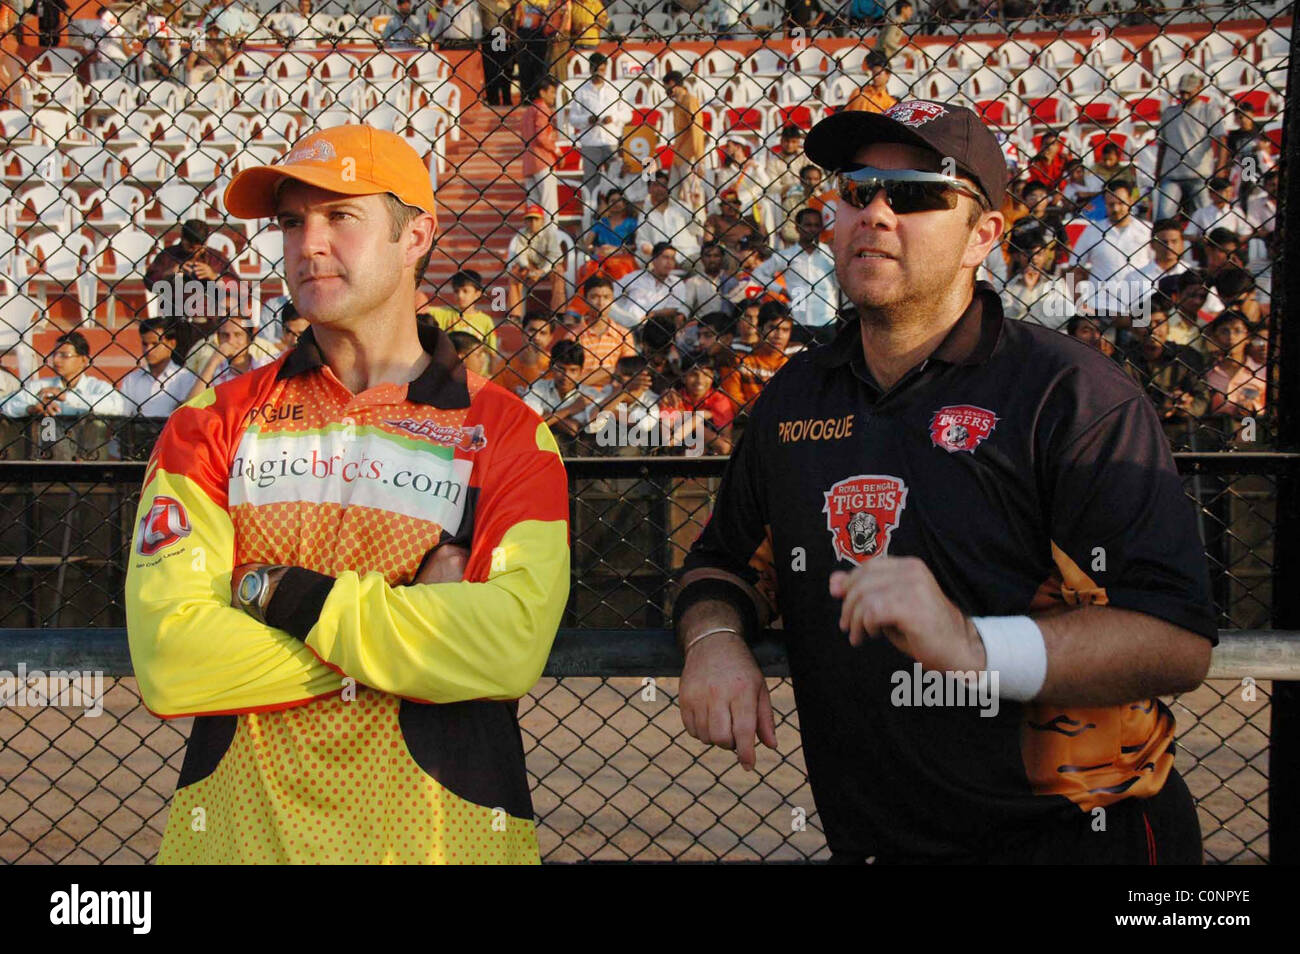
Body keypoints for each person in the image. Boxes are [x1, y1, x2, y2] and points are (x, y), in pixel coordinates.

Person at [673, 101, 1217, 865]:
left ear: (984, 236)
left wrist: (972, 645)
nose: (876, 213)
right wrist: (718, 641)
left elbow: (1175, 641)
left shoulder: (1073, 396)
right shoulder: (795, 400)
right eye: (856, 190)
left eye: (918, 193)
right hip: (876, 842)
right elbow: (721, 562)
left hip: (1082, 841)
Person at [126, 123, 569, 865]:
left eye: (340, 215)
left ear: (416, 235)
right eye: (293, 222)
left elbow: (507, 649)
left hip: (444, 847)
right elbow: (173, 660)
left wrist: (276, 596)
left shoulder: (513, 433)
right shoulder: (208, 423)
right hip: (236, 847)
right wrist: (414, 618)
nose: (309, 243)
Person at [1119, 298, 1208, 448]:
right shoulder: (1122, 358)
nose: (1153, 329)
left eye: (1159, 323)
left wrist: (1187, 406)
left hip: (1179, 431)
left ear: (1167, 327)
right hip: (1135, 430)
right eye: (1145, 324)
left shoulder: (1187, 357)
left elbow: (1202, 398)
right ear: (1134, 329)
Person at [752, 207, 838, 344]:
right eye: (808, 225)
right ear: (797, 228)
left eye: (816, 225)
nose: (812, 229)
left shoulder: (831, 254)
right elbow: (757, 274)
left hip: (827, 321)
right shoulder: (787, 255)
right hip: (798, 321)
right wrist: (780, 290)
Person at [1154, 74, 1229, 222]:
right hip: (1172, 173)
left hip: (1200, 173)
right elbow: (1162, 145)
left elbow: (1221, 141)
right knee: (1164, 216)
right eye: (1182, 92)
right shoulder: (1169, 113)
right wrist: (1158, 171)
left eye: (1189, 91)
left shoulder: (1209, 111)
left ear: (1198, 89)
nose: (1185, 95)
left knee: (1205, 218)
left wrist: (1220, 168)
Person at [2, 332, 127, 418]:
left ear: (83, 360)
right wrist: (31, 408)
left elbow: (117, 406)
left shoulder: (97, 387)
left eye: (64, 355)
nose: (56, 360)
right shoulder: (41, 386)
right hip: (49, 449)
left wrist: (67, 397)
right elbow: (5, 404)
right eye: (54, 354)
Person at [568, 53, 621, 221]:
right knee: (591, 183)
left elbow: (627, 113)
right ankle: (592, 218)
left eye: (603, 71)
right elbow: (573, 119)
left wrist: (614, 118)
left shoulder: (615, 89)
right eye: (597, 71)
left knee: (617, 178)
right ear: (590, 70)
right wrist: (587, 120)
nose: (600, 74)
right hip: (590, 141)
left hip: (611, 139)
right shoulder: (581, 92)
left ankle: (617, 215)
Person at [522, 338, 598, 448]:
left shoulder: (588, 394)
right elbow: (531, 424)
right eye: (561, 369)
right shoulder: (538, 388)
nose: (565, 376)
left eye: (573, 370)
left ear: (581, 371)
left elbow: (573, 428)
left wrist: (548, 417)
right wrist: (571, 408)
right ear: (550, 366)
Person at [719, 300, 791, 414]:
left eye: (785, 330)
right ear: (759, 329)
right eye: (772, 328)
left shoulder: (796, 354)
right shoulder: (736, 356)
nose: (779, 335)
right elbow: (734, 402)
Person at [120, 318, 201, 416]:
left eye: (155, 344)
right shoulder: (131, 380)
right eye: (145, 344)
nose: (148, 350)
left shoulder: (185, 378)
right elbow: (124, 415)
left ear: (171, 344)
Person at [658, 351, 735, 454]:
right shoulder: (674, 398)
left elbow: (724, 447)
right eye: (694, 374)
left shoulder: (719, 400)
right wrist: (698, 417)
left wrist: (693, 420)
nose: (700, 380)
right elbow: (667, 438)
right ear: (684, 377)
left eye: (706, 374)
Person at [1204, 309, 1266, 425]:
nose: (1231, 337)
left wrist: (1252, 408)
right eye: (1224, 331)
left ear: (1247, 337)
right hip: (1213, 432)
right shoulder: (1207, 372)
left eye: (1237, 331)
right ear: (1215, 337)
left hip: (1251, 430)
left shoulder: (1262, 373)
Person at [421, 269, 500, 357]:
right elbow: (421, 307)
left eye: (465, 291)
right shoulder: (444, 313)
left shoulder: (486, 321)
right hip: (453, 367)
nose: (460, 295)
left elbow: (492, 353)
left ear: (478, 294)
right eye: (456, 291)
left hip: (478, 370)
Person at [143, 219, 235, 296]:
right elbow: (149, 283)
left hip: (210, 310)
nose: (194, 253)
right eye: (190, 248)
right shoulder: (168, 255)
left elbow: (240, 288)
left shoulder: (216, 258)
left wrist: (215, 277)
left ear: (206, 242)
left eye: (199, 249)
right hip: (176, 310)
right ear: (182, 238)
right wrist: (168, 273)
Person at [574, 275, 636, 387]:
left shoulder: (624, 335)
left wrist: (585, 379)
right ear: (585, 299)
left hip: (614, 395)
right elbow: (571, 380)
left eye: (606, 297)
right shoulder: (574, 336)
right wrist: (611, 370)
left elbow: (628, 375)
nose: (601, 302)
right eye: (594, 297)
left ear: (612, 300)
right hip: (580, 396)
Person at [507, 204, 567, 319]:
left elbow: (555, 256)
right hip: (529, 264)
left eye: (536, 219)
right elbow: (521, 255)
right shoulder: (521, 234)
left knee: (559, 271)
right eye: (529, 219)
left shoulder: (550, 233)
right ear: (525, 222)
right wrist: (529, 268)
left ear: (542, 220)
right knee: (514, 273)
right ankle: (515, 314)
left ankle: (558, 312)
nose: (533, 223)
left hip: (548, 265)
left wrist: (543, 270)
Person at [636, 171, 701, 265]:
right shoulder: (644, 215)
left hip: (687, 255)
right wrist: (647, 248)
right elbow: (642, 240)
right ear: (649, 189)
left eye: (663, 185)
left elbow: (695, 230)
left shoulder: (682, 207)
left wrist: (695, 207)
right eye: (656, 185)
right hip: (661, 258)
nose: (660, 189)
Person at [619, 242, 690, 327]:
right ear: (654, 259)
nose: (669, 262)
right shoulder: (636, 277)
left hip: (655, 326)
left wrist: (652, 314)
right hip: (626, 322)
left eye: (673, 258)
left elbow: (674, 308)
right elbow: (613, 291)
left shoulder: (677, 283)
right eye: (665, 257)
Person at [521, 75, 561, 221]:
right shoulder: (543, 110)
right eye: (551, 92)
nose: (554, 96)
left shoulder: (527, 112)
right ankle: (550, 240)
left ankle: (535, 238)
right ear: (542, 92)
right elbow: (541, 137)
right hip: (543, 160)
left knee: (533, 206)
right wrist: (557, 151)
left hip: (528, 162)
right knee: (549, 206)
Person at [662, 70, 707, 191]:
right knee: (673, 193)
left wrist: (699, 160)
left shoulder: (690, 101)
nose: (665, 91)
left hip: (689, 155)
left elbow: (696, 130)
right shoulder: (677, 105)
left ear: (672, 84)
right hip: (679, 155)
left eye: (666, 87)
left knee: (691, 194)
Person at [496, 311, 554, 395]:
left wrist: (530, 366)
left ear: (550, 338)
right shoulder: (506, 365)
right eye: (532, 330)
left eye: (543, 333)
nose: (536, 337)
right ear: (522, 332)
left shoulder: (553, 365)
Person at [1185, 177, 1250, 244]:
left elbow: (1246, 233)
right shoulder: (1200, 213)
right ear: (1211, 194)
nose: (1229, 195)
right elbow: (1188, 234)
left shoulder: (1236, 211)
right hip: (1207, 247)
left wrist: (1233, 243)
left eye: (1230, 192)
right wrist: (1201, 240)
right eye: (1225, 191)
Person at [478, 0, 514, 106]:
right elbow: (480, 20)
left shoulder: (509, 3)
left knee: (506, 69)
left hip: (504, 37)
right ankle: (493, 100)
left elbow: (513, 19)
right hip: (490, 37)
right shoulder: (483, 3)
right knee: (491, 70)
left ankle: (507, 99)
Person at [582, 187, 637, 256]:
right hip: (602, 258)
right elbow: (587, 245)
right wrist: (597, 249)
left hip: (623, 258)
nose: (616, 204)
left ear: (624, 204)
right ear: (607, 204)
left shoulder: (631, 223)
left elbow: (638, 244)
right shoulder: (601, 223)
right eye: (612, 201)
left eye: (619, 200)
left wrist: (620, 249)